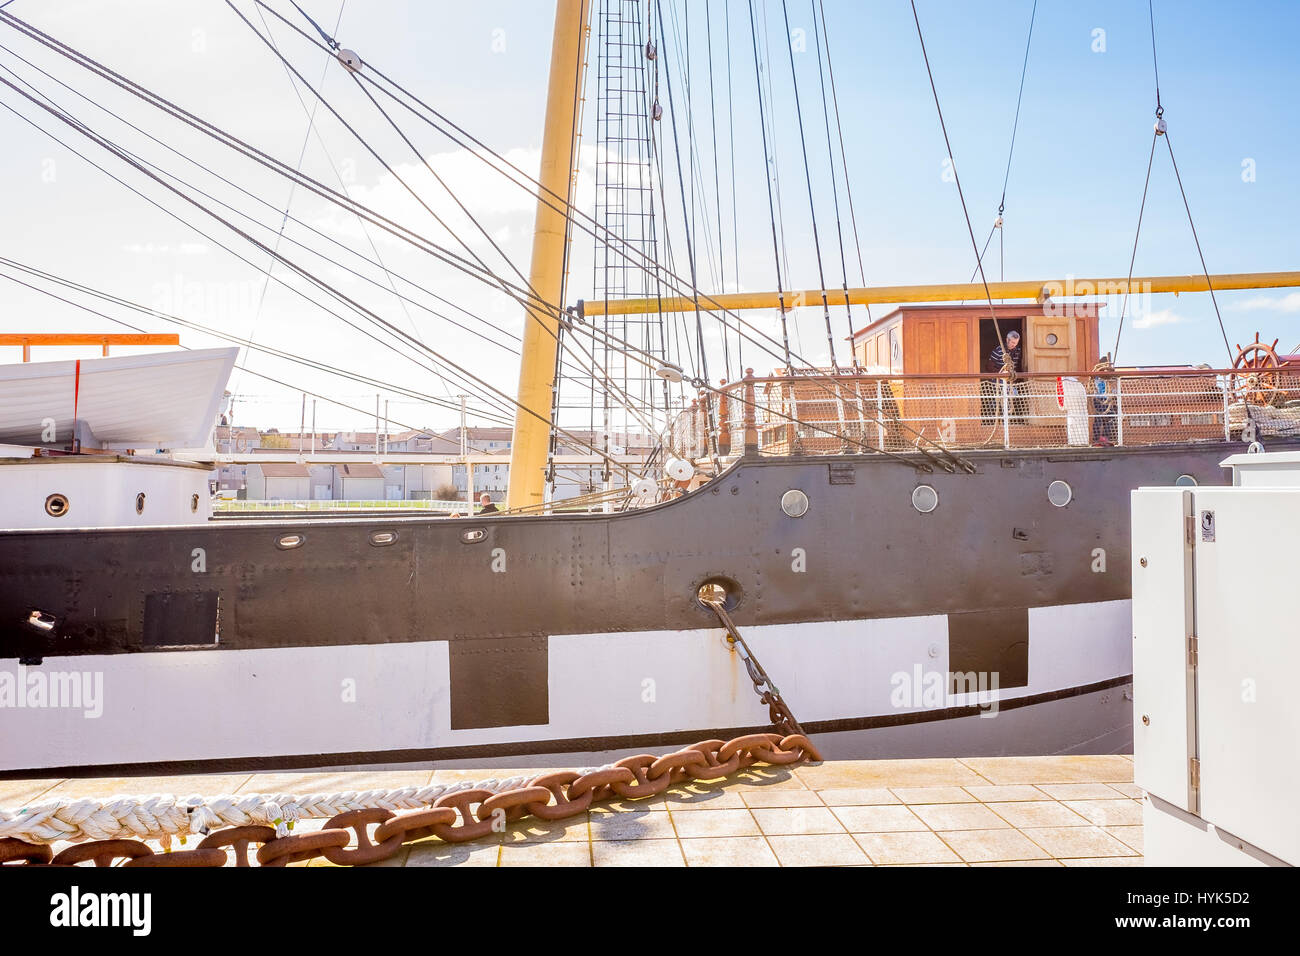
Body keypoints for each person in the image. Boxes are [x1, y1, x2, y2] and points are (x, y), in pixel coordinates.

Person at [982, 330, 1023, 424]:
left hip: (1010, 380)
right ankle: (992, 419)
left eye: (1016, 343)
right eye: (1012, 342)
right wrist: (1001, 373)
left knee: (1013, 395)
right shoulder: (998, 350)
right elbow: (988, 366)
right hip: (997, 380)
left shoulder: (1018, 351)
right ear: (1007, 340)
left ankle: (1007, 421)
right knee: (996, 401)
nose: (1014, 345)